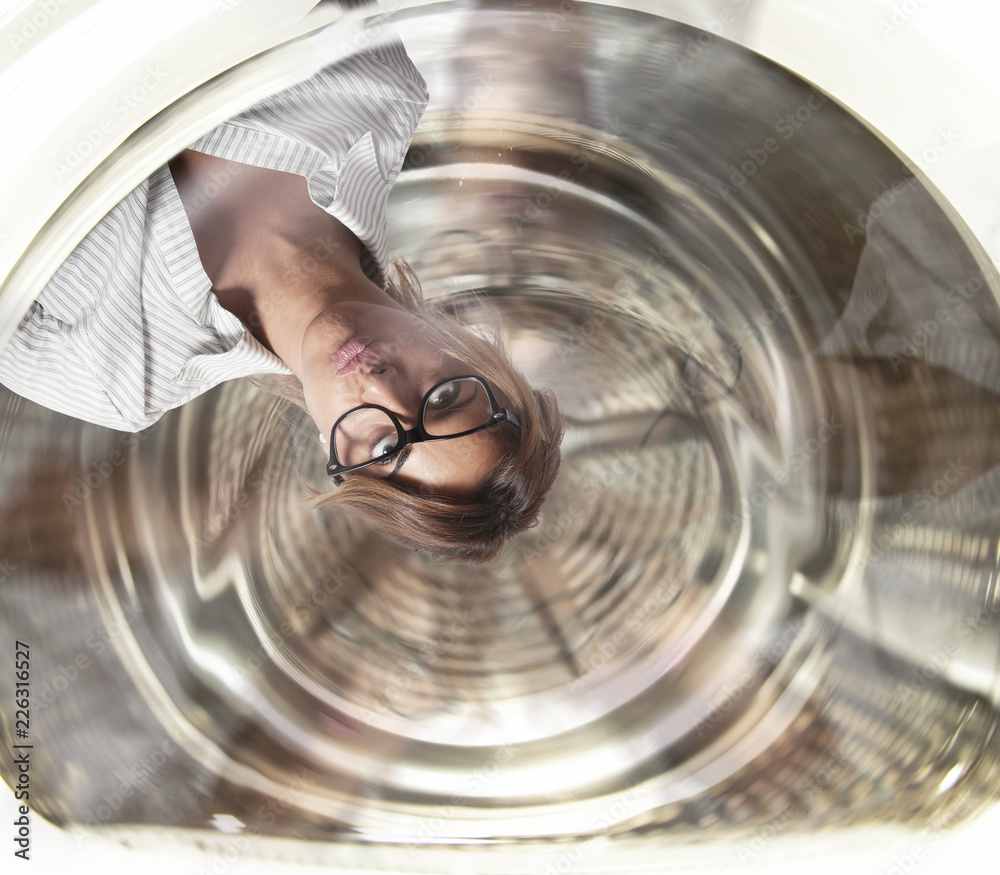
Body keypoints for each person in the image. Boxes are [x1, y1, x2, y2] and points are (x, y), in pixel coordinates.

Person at [0, 18, 563, 564]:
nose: (383, 388)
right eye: (442, 399)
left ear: (333, 456)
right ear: (466, 342)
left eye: (385, 448)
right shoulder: (378, 93)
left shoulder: (115, 376)